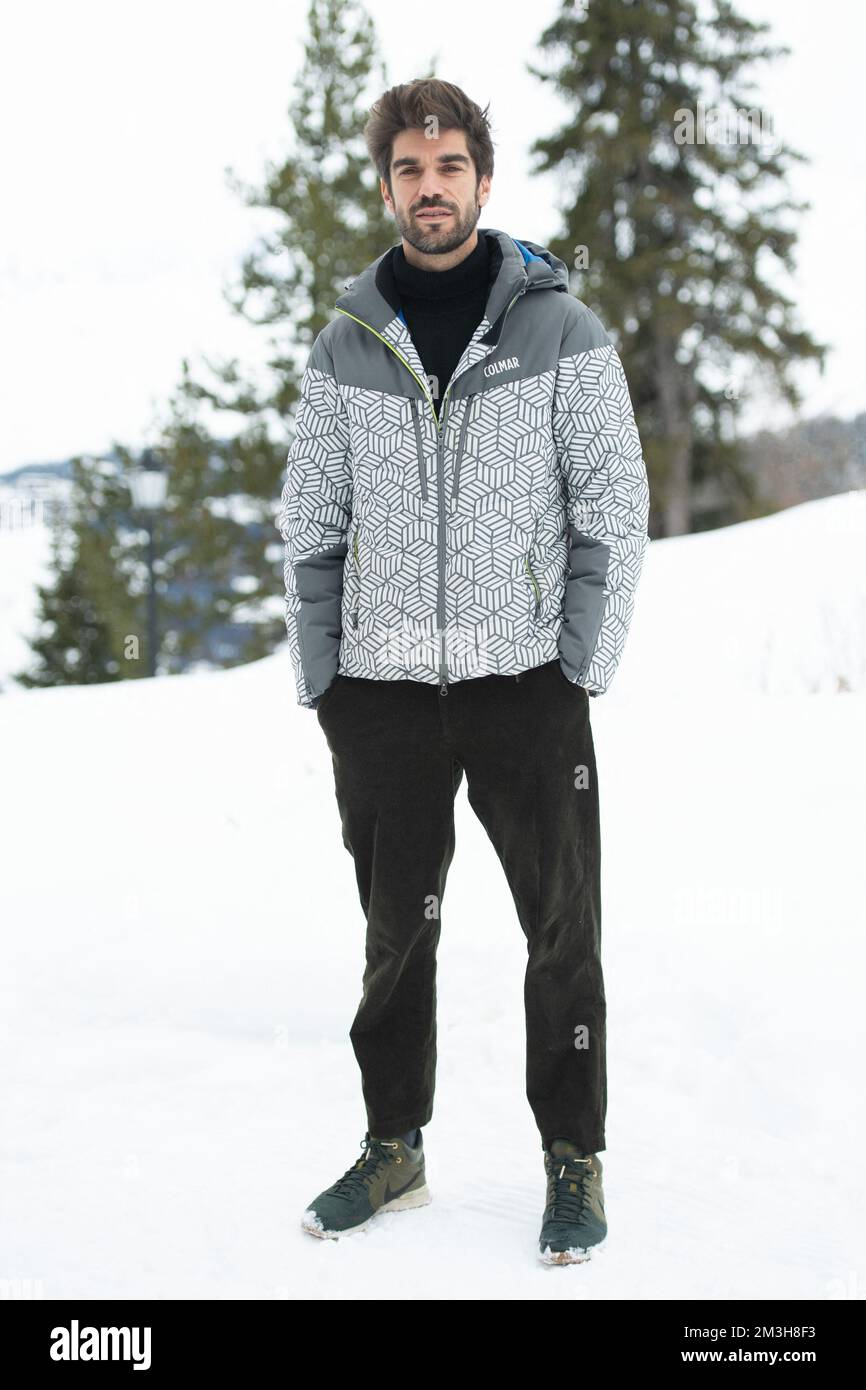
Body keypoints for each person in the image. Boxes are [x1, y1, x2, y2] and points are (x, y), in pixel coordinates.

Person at [276, 78, 650, 1264]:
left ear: (482, 181)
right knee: (395, 933)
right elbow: (309, 522)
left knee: (560, 926)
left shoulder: (556, 326)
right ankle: (394, 1145)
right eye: (406, 170)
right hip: (381, 699)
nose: (427, 189)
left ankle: (571, 1158)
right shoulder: (347, 344)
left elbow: (613, 505)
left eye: (447, 168)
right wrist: (326, 682)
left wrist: (577, 661)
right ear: (385, 185)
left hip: (523, 684)